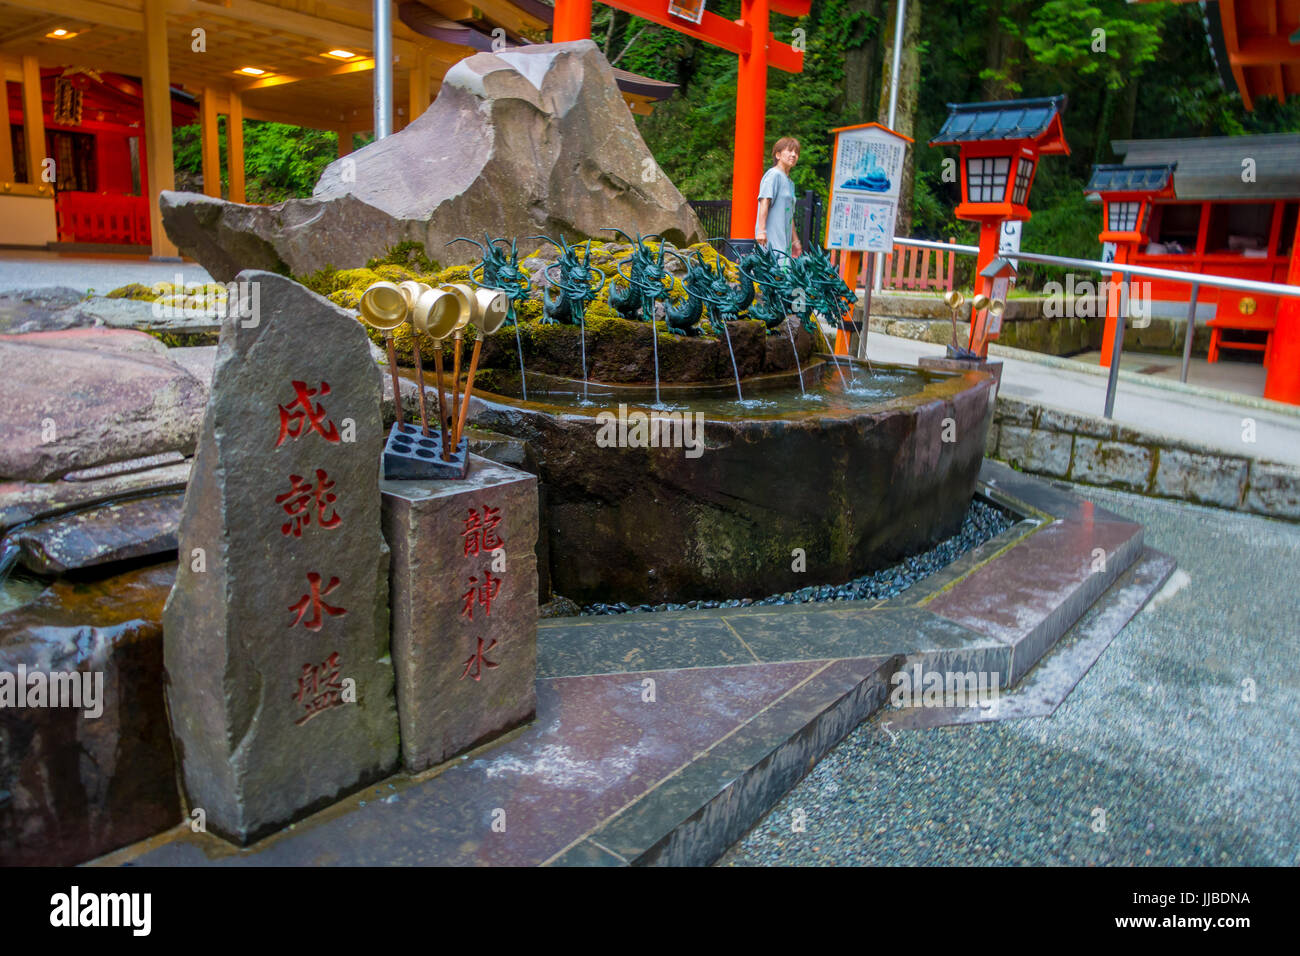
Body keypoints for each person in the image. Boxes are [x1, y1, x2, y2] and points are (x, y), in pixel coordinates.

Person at [755, 137, 803, 259]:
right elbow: (764, 201)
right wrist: (761, 230)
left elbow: (789, 214)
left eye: (796, 152)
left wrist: (795, 241)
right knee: (772, 273)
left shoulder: (790, 182)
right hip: (771, 239)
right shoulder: (773, 175)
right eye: (789, 151)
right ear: (778, 155)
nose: (793, 155)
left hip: (785, 241)